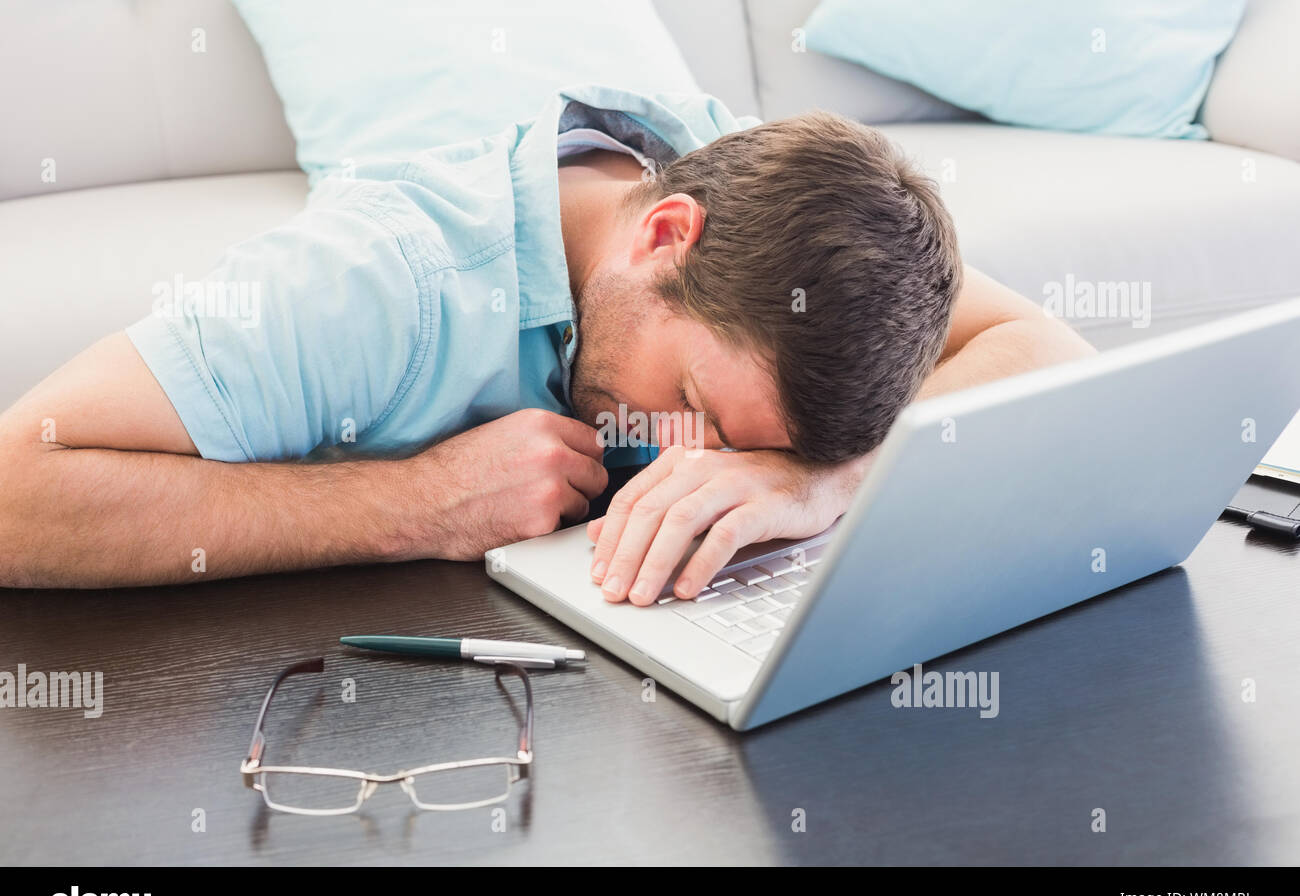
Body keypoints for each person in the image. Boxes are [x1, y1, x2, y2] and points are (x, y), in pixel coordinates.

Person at [0, 85, 1092, 594]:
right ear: (666, 237)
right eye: (699, 410)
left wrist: (826, 475)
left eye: (739, 443)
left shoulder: (768, 221)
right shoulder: (382, 283)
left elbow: (1041, 345)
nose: (693, 451)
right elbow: (17, 487)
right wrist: (405, 505)